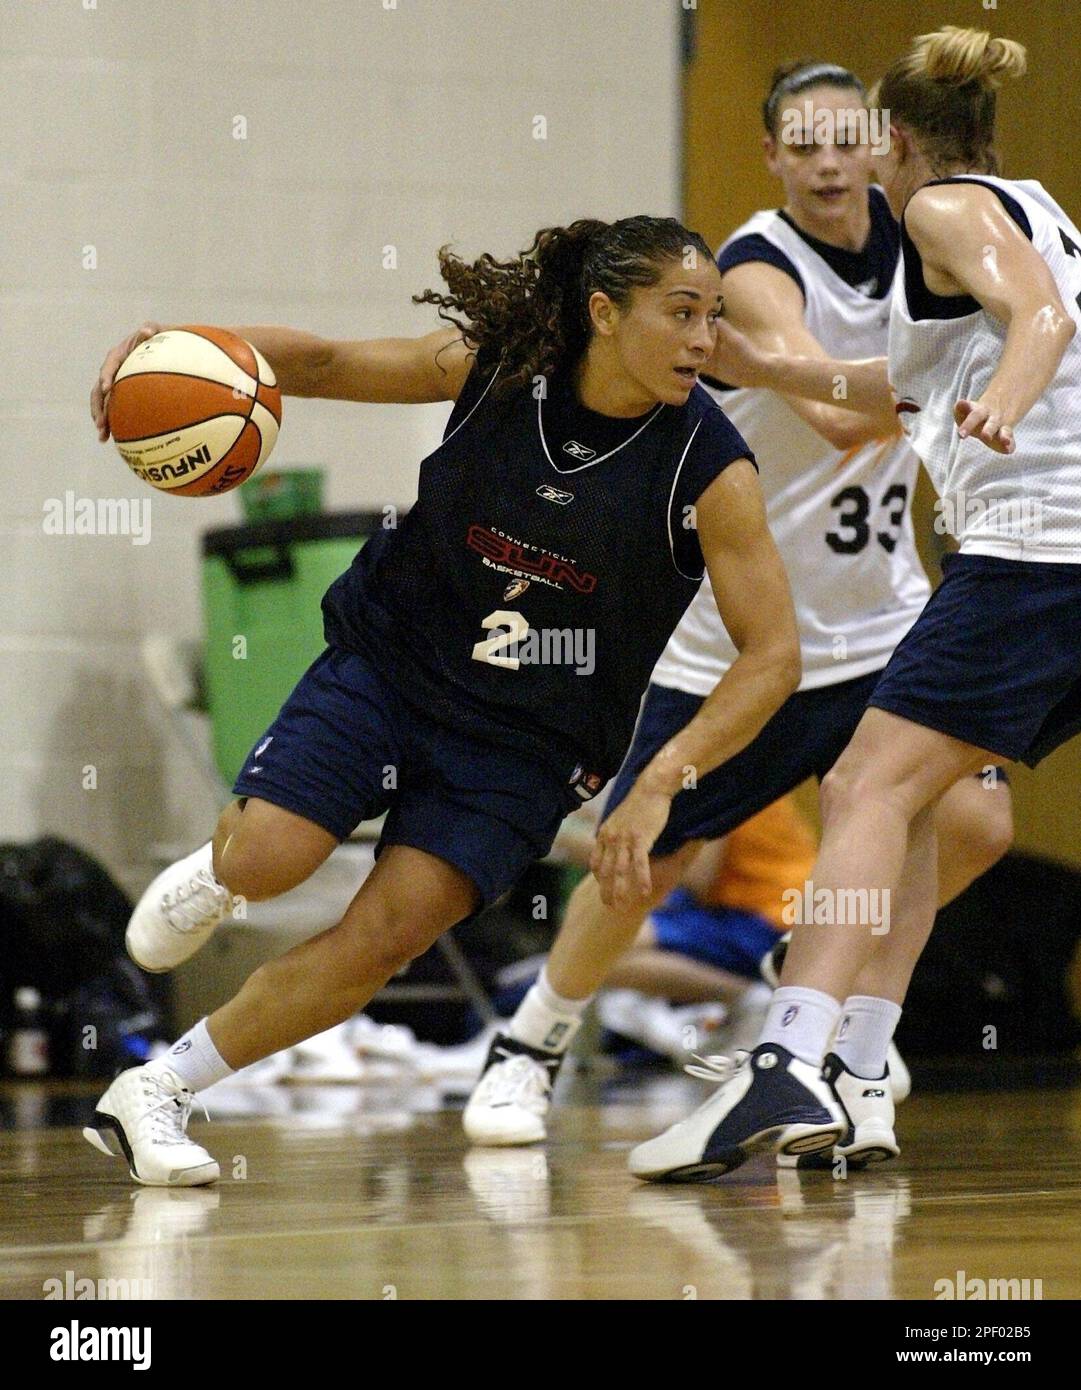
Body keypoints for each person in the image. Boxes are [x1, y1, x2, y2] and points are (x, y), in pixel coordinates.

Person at [83, 215, 803, 1186]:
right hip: (397, 660)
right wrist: (188, 350)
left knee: (386, 933)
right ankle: (221, 870)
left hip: (529, 740)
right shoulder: (506, 365)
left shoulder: (709, 470)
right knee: (270, 856)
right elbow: (333, 361)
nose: (704, 340)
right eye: (682, 314)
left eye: (713, 317)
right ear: (602, 312)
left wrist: (657, 783)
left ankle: (157, 1091)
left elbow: (774, 657)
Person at [464, 58, 1012, 1159]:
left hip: (882, 619)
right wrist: (896, 369)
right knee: (643, 859)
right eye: (800, 142)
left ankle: (817, 968)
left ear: (879, 144)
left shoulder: (925, 240)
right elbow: (853, 421)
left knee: (974, 821)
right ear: (771, 156)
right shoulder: (760, 261)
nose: (824, 160)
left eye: (842, 137)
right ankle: (530, 1045)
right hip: (745, 639)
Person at [630, 25, 1081, 1181]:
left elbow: (1039, 319)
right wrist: (766, 365)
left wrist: (1009, 404)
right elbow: (898, 388)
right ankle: (864, 1069)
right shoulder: (1030, 201)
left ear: (891, 141)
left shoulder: (944, 211)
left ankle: (786, 1061)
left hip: (1036, 555)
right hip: (1052, 561)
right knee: (921, 800)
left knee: (864, 784)